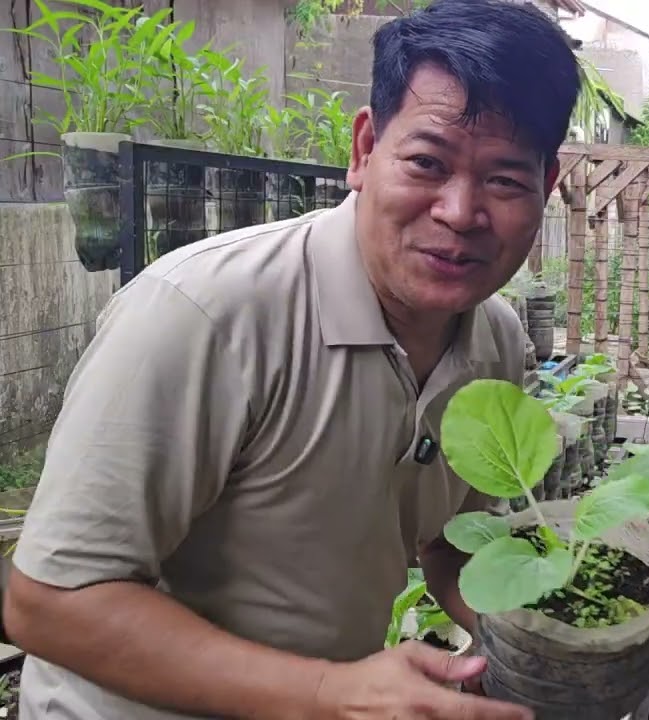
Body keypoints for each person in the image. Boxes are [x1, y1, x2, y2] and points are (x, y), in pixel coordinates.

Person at [2, 1, 581, 718]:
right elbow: (47, 603)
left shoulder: (496, 342)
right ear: (365, 150)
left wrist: (542, 650)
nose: (461, 212)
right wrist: (329, 693)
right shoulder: (204, 316)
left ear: (546, 187)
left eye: (503, 180)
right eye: (427, 162)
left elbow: (452, 546)